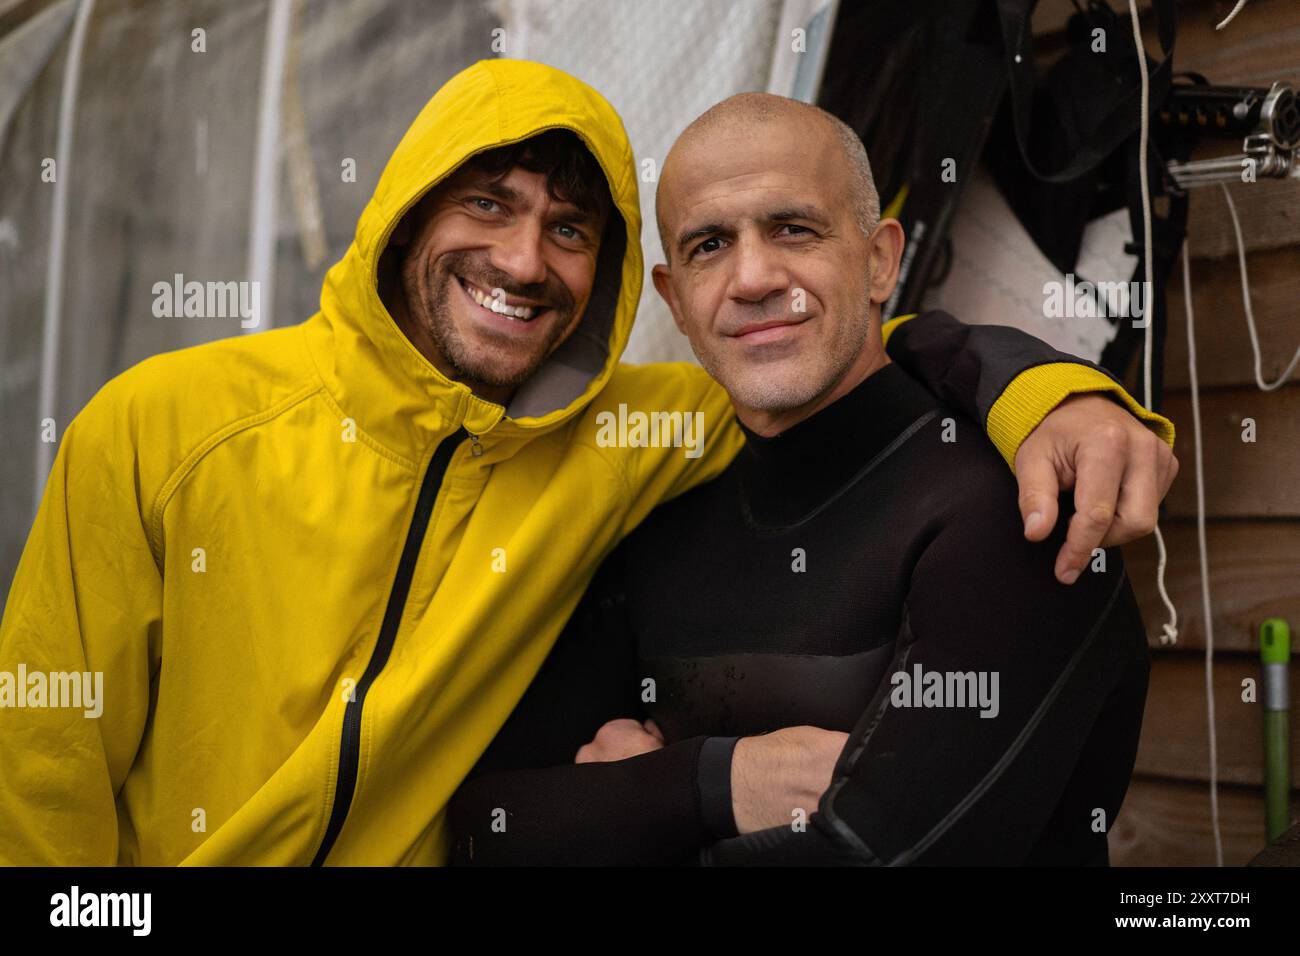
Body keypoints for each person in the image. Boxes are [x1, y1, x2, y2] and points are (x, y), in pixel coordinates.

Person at [0, 60, 1173, 866]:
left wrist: (1043, 383)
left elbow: (848, 361)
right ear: (406, 214)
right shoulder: (161, 425)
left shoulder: (626, 440)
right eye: (486, 203)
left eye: (569, 228)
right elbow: (37, 776)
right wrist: (715, 790)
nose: (524, 258)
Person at [447, 92, 1154, 866]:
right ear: (674, 299)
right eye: (710, 244)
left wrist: (625, 808)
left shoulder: (1012, 508)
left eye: (793, 228)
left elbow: (873, 858)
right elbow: (487, 827)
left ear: (881, 258)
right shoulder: (657, 524)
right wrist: (709, 784)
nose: (753, 276)